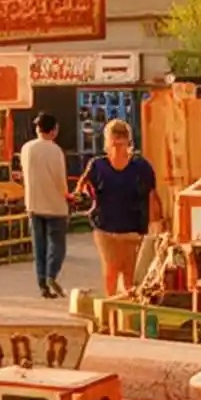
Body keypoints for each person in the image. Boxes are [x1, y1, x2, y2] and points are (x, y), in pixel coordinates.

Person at [77, 119, 163, 297]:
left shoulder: (141, 167)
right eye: (113, 142)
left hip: (133, 230)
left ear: (128, 143)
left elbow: (152, 195)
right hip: (105, 229)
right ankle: (110, 310)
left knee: (130, 275)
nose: (116, 147)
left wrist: (157, 224)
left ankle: (125, 313)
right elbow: (82, 186)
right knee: (111, 269)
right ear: (107, 143)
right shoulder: (97, 165)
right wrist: (82, 196)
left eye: (121, 142)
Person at [20, 112, 70, 299]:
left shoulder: (27, 148)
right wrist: (67, 195)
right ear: (54, 130)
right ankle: (51, 274)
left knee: (39, 246)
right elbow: (60, 179)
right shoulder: (55, 151)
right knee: (57, 245)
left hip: (33, 203)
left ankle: (42, 284)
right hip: (55, 205)